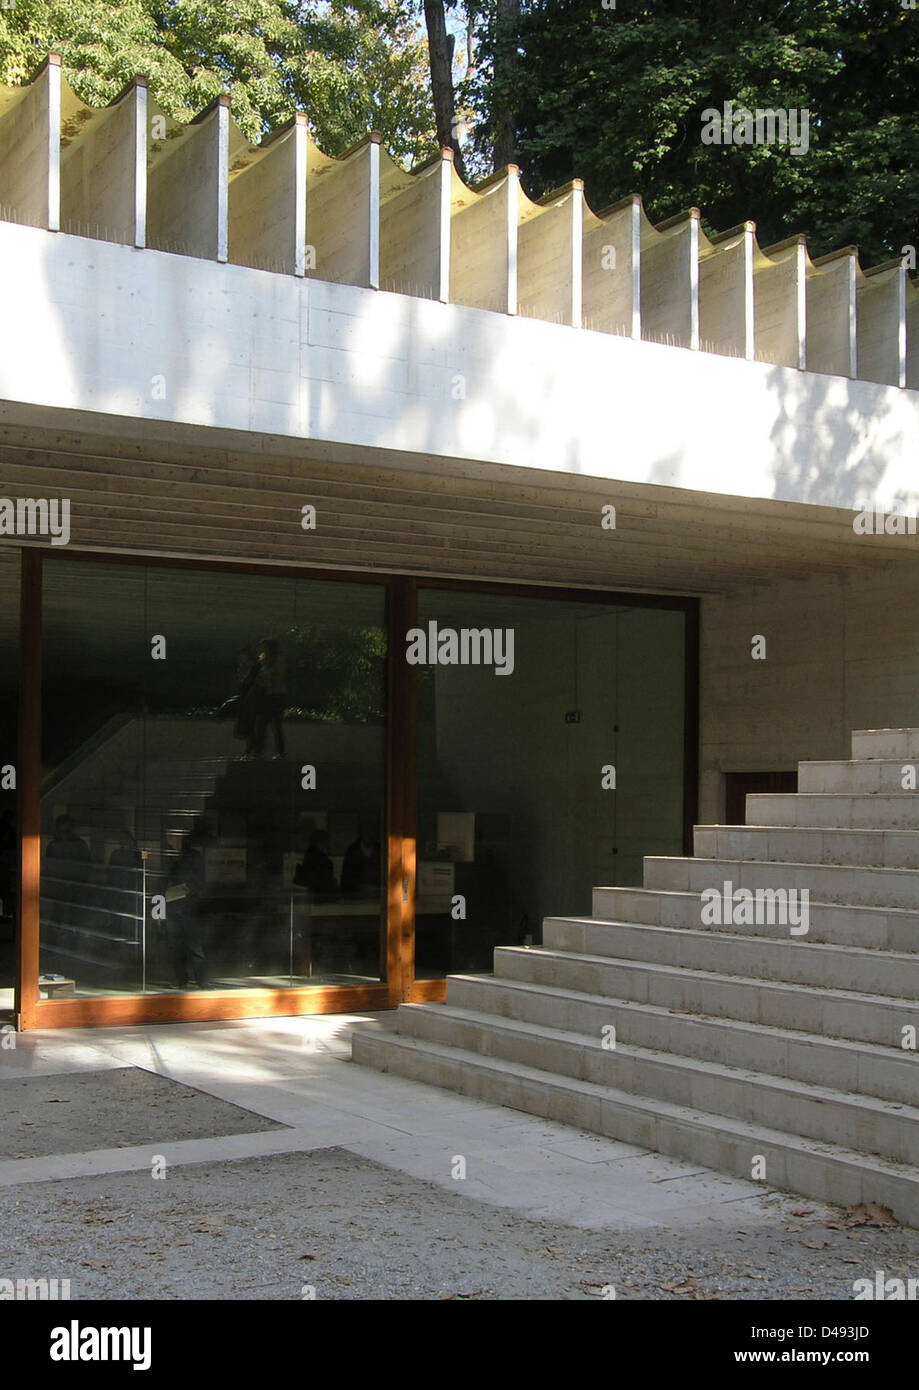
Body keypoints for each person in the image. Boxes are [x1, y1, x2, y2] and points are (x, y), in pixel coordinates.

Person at [166, 830, 209, 990]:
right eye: (168, 835)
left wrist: (188, 892)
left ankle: (202, 980)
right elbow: (163, 880)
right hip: (174, 906)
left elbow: (198, 881)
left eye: (173, 835)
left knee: (194, 945)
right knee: (176, 946)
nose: (169, 838)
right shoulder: (170, 856)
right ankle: (180, 979)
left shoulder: (192, 857)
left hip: (189, 907)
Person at [251, 638, 288, 759]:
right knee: (261, 723)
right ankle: (259, 751)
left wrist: (269, 676)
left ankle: (280, 752)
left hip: (277, 695)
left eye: (265, 647)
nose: (262, 649)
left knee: (275, 723)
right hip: (266, 695)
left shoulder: (278, 660)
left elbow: (279, 676)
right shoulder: (263, 659)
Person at [341, 819, 381, 898]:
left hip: (378, 893)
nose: (369, 835)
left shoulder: (380, 850)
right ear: (361, 833)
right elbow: (347, 876)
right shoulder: (352, 850)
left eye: (371, 832)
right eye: (366, 832)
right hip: (356, 895)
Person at [295, 829, 338, 900]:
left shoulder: (309, 856)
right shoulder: (323, 860)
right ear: (321, 843)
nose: (329, 844)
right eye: (327, 842)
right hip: (321, 897)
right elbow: (324, 883)